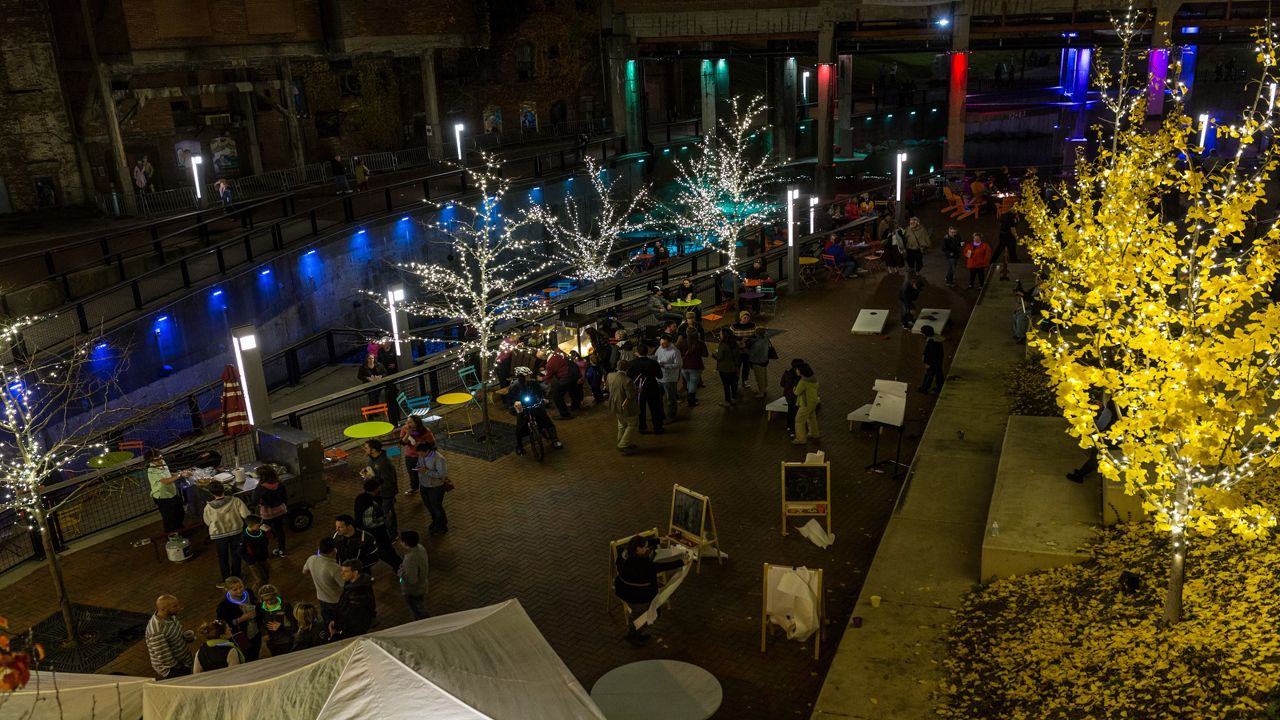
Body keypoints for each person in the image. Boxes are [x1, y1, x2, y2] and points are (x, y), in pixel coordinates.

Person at [613, 536, 688, 646]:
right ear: (637, 549)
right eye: (644, 548)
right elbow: (658, 567)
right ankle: (632, 635)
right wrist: (681, 562)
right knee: (644, 614)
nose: (646, 549)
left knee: (644, 613)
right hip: (637, 596)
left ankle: (635, 634)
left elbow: (640, 548)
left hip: (623, 590)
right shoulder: (641, 564)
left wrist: (657, 541)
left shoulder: (624, 554)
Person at [506, 367, 563, 455]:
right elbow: (511, 399)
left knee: (546, 419)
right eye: (527, 375)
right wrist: (514, 407)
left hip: (534, 404)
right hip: (522, 407)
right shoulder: (514, 386)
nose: (529, 376)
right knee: (520, 427)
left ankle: (554, 439)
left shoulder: (532, 382)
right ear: (522, 376)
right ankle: (519, 446)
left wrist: (543, 399)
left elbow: (540, 392)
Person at [203, 480, 250, 584]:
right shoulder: (236, 501)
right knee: (236, 554)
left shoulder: (208, 507)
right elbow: (246, 514)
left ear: (211, 493)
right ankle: (237, 577)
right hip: (236, 532)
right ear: (224, 489)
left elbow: (207, 522)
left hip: (219, 535)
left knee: (222, 557)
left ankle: (226, 580)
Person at [354, 477, 402, 569]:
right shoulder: (371, 503)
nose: (381, 488)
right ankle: (400, 568)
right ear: (376, 489)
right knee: (386, 553)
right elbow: (369, 523)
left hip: (367, 534)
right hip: (376, 535)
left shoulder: (360, 497)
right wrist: (385, 518)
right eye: (379, 487)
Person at [146, 595, 193, 678]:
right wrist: (181, 667)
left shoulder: (171, 616)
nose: (179, 608)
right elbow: (165, 657)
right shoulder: (156, 631)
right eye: (175, 606)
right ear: (163, 609)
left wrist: (185, 637)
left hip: (184, 662)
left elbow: (174, 634)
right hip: (174, 670)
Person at [216, 576, 262, 661]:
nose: (239, 591)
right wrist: (240, 619)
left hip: (255, 630)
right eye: (235, 589)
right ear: (227, 590)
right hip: (239, 635)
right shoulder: (224, 605)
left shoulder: (249, 593)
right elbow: (222, 624)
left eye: (241, 587)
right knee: (247, 655)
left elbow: (257, 604)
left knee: (256, 650)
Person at [331, 560, 376, 640]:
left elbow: (350, 615)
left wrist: (336, 627)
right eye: (342, 571)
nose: (342, 574)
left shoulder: (358, 593)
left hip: (353, 630)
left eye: (346, 571)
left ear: (355, 572)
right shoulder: (351, 584)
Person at [144, 448, 187, 533]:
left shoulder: (163, 463)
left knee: (180, 512)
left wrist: (180, 473)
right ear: (151, 461)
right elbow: (166, 481)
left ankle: (181, 530)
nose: (160, 461)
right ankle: (172, 536)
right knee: (169, 518)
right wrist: (180, 475)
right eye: (157, 460)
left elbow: (168, 474)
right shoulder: (152, 471)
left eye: (161, 458)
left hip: (171, 493)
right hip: (163, 497)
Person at [303, 537, 343, 626]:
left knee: (327, 622)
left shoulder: (311, 559)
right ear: (333, 551)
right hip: (335, 602)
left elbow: (305, 571)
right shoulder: (334, 568)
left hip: (321, 599)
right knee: (339, 623)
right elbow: (344, 585)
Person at [362, 439, 398, 538]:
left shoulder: (384, 463)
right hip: (377, 492)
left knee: (388, 513)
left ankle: (392, 534)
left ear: (373, 450)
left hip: (386, 493)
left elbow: (389, 481)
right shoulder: (371, 458)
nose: (364, 449)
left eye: (366, 448)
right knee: (382, 511)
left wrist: (375, 483)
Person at [249, 465, 288, 557]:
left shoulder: (261, 488)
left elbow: (254, 502)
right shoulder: (280, 483)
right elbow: (285, 498)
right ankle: (282, 550)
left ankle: (264, 552)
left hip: (268, 514)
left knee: (264, 531)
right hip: (280, 510)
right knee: (280, 530)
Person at [627, 344, 664, 434]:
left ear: (637, 353)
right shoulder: (653, 363)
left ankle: (642, 428)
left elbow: (628, 377)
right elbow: (660, 376)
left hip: (638, 389)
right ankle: (657, 428)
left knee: (640, 409)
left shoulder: (632, 363)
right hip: (652, 388)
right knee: (655, 408)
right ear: (647, 352)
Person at [416, 440, 450, 534]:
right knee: (428, 505)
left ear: (427, 451)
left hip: (435, 487)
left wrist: (426, 471)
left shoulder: (439, 459)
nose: (420, 456)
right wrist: (418, 468)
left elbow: (442, 475)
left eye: (422, 454)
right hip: (424, 485)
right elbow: (419, 464)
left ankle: (442, 525)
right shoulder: (421, 455)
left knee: (436, 507)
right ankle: (435, 521)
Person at [607, 358, 639, 454]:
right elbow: (630, 396)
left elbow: (609, 388)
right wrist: (636, 390)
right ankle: (623, 444)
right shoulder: (627, 380)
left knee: (621, 424)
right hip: (626, 407)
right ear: (627, 369)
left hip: (614, 404)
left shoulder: (610, 376)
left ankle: (621, 441)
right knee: (632, 424)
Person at [397, 531, 430, 619]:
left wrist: (400, 575)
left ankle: (423, 622)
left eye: (401, 541)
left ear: (405, 543)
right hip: (422, 585)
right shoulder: (420, 548)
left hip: (413, 590)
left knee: (418, 609)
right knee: (420, 605)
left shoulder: (410, 558)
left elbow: (412, 580)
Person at [399, 415, 435, 494]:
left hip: (422, 456)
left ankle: (428, 487)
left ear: (417, 423)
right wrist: (408, 433)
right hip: (410, 456)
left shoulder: (425, 431)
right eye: (407, 421)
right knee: (412, 474)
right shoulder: (404, 429)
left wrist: (422, 444)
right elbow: (403, 443)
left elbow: (432, 445)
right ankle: (414, 488)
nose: (407, 424)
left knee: (425, 473)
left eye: (410, 422)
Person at [257, 584, 295, 658]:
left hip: (285, 640)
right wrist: (264, 633)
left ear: (276, 595)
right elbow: (260, 622)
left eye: (271, 599)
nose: (269, 602)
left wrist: (281, 627)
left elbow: (294, 624)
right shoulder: (260, 608)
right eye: (266, 600)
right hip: (271, 642)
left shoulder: (285, 606)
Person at [238, 514, 273, 589]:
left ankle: (264, 593)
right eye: (259, 524)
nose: (261, 525)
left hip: (264, 558)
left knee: (266, 577)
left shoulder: (261, 531)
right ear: (251, 525)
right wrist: (251, 561)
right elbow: (240, 552)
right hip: (254, 561)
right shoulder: (244, 537)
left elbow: (270, 538)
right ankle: (253, 595)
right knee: (260, 580)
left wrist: (268, 531)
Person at [543, 348, 579, 420]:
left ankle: (565, 414)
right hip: (575, 373)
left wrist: (541, 378)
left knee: (557, 396)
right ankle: (575, 407)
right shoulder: (557, 354)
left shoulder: (550, 363)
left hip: (566, 377)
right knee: (572, 390)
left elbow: (548, 376)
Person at [675, 327, 707, 407]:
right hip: (695, 366)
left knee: (689, 382)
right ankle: (691, 400)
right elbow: (705, 354)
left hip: (684, 366)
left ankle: (692, 398)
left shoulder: (682, 343)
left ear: (686, 333)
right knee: (693, 383)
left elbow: (677, 352)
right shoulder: (700, 343)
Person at [655, 334, 683, 421]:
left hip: (669, 379)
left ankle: (671, 416)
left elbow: (679, 364)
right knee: (657, 398)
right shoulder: (660, 348)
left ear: (670, 342)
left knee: (671, 399)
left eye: (664, 344)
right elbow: (656, 356)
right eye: (661, 343)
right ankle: (660, 415)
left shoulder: (675, 351)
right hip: (659, 378)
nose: (662, 345)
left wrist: (665, 366)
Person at [792, 363, 821, 445]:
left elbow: (797, 392)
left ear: (801, 371)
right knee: (811, 418)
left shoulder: (803, 382)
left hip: (805, 403)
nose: (796, 371)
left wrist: (794, 389)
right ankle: (814, 433)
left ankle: (801, 439)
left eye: (797, 369)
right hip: (813, 401)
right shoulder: (813, 378)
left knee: (799, 420)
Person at [714, 327, 741, 408]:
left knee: (726, 385)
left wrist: (715, 354)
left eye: (721, 333)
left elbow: (719, 357)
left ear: (724, 335)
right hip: (733, 367)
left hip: (724, 368)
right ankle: (734, 397)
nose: (720, 334)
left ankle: (727, 401)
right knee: (733, 383)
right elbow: (737, 356)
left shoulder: (723, 345)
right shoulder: (734, 343)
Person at [779, 358, 805, 438]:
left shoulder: (787, 373)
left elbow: (782, 384)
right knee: (794, 413)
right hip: (794, 397)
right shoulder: (798, 377)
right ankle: (792, 430)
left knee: (790, 410)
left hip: (788, 396)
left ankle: (789, 426)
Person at [992, 210, 1021, 279]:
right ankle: (1013, 259)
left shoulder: (1004, 215)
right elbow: (1012, 228)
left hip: (1002, 233)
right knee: (1012, 247)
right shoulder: (1012, 217)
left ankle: (993, 259)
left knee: (1000, 247)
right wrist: (1016, 236)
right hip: (1009, 235)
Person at [746, 327, 773, 398]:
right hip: (764, 360)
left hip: (757, 362)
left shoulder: (758, 343)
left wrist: (745, 348)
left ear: (757, 334)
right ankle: (764, 389)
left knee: (759, 378)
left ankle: (761, 393)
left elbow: (751, 353)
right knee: (764, 375)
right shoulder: (765, 338)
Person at [919, 325, 945, 394]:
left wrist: (927, 363)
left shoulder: (931, 342)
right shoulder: (937, 339)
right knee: (939, 374)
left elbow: (930, 354)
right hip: (938, 361)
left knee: (929, 376)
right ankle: (940, 387)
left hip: (932, 363)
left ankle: (924, 389)